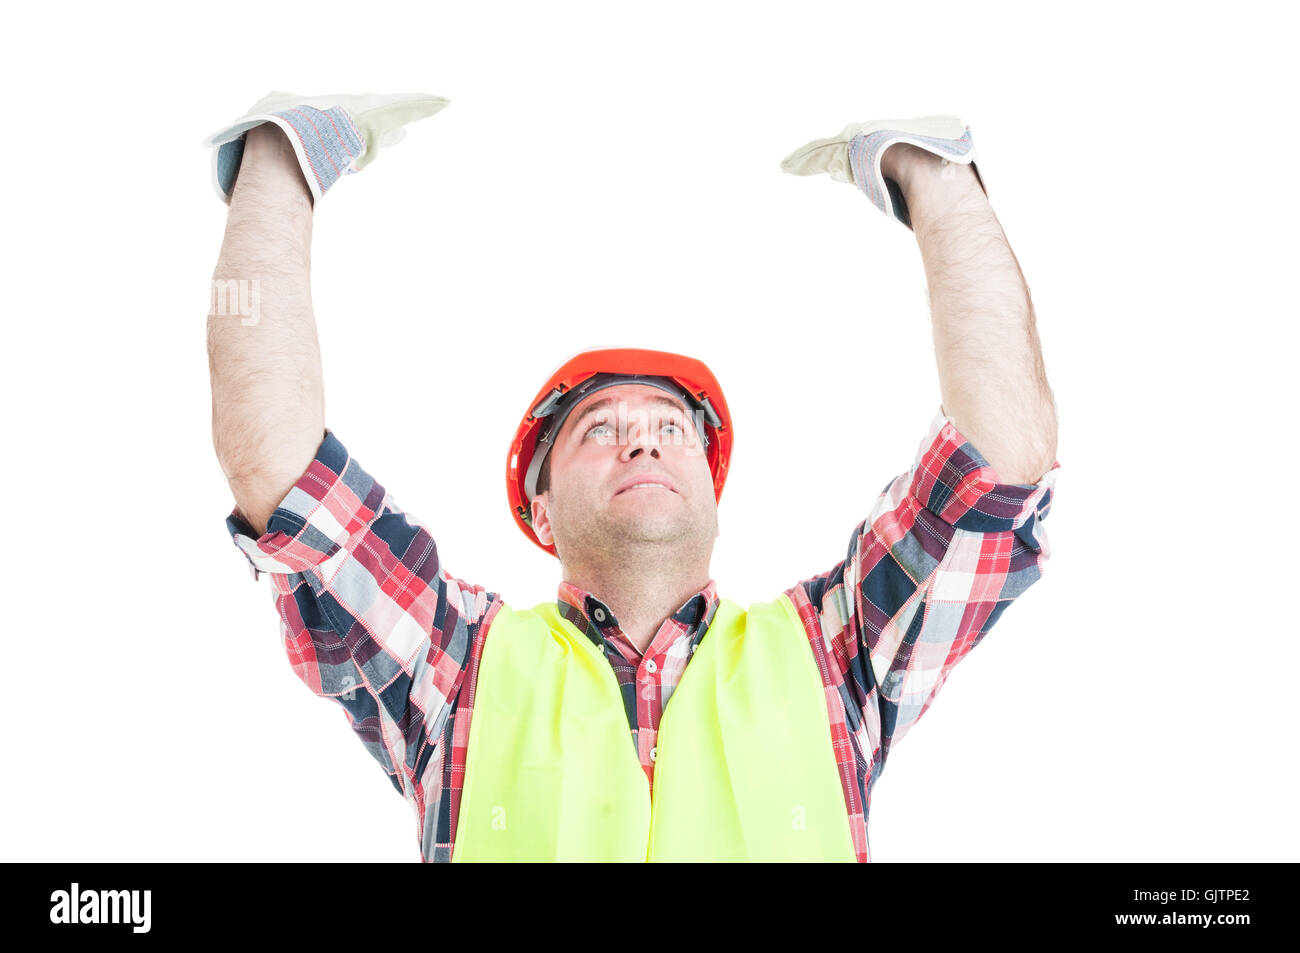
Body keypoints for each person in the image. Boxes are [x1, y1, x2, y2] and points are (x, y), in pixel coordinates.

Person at [205, 93, 1060, 862]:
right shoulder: (455, 668)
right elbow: (279, 463)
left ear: (710, 487)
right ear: (539, 506)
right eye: (600, 429)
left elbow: (998, 460)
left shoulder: (833, 658)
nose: (643, 443)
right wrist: (279, 166)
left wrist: (933, 176)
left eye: (669, 430)